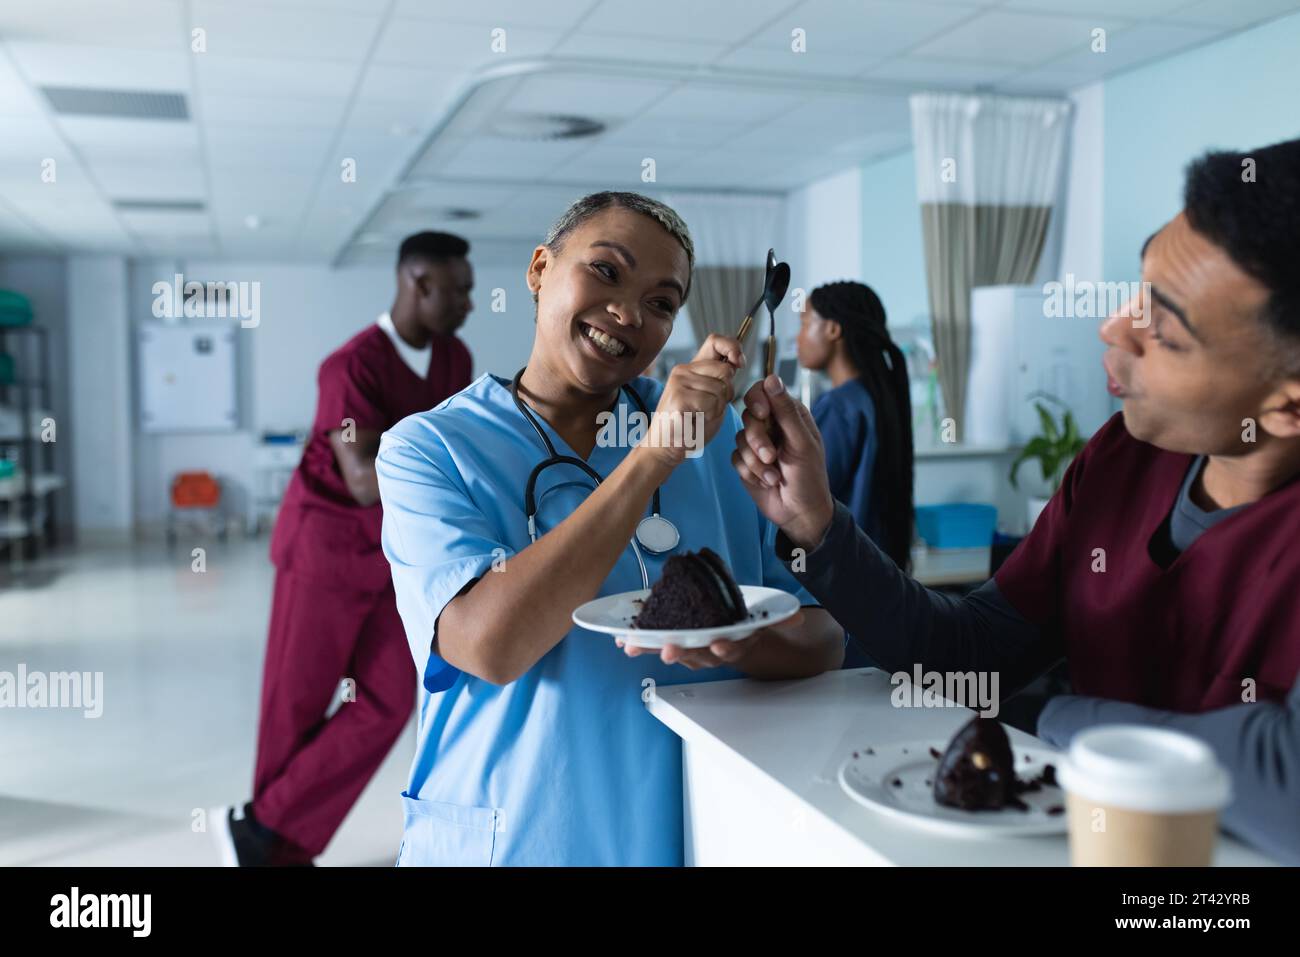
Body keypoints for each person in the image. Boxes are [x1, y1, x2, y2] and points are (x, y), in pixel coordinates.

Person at [731, 138, 1300, 864]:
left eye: (1165, 328)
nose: (1113, 326)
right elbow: (967, 652)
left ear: (1287, 407)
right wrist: (817, 524)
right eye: (1137, 290)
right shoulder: (1121, 461)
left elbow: (1286, 781)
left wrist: (1050, 715)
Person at [375, 191, 844, 866]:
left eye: (661, 302)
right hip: (519, 832)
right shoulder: (429, 448)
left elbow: (821, 638)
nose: (627, 312)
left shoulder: (713, 440)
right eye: (605, 271)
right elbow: (490, 646)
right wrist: (650, 459)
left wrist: (740, 646)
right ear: (539, 269)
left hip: (683, 827)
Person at [213, 231, 475, 866]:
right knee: (295, 707)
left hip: (394, 556)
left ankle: (261, 827)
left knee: (386, 702)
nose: (470, 302)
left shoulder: (453, 360)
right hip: (324, 553)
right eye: (459, 290)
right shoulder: (350, 366)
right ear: (419, 283)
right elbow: (362, 481)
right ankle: (278, 852)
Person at [796, 280, 914, 568]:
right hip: (878, 569)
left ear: (833, 329)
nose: (797, 338)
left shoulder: (838, 407)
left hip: (845, 573)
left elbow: (805, 498)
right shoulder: (876, 396)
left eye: (804, 323)